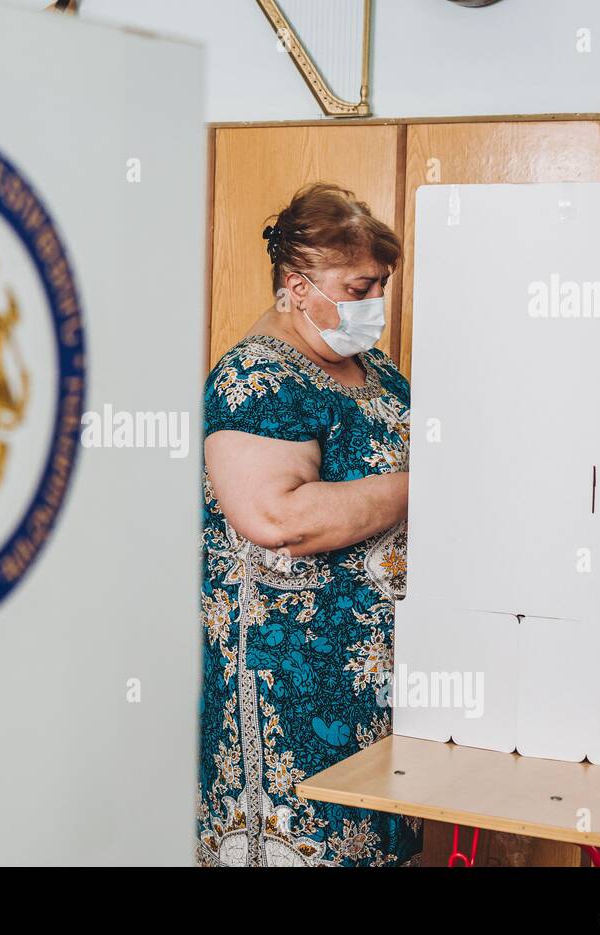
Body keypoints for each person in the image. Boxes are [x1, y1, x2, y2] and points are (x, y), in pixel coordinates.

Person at [196, 182, 422, 866]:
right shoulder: (255, 380)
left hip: (373, 684)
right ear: (297, 286)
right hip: (288, 687)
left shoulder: (374, 370)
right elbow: (278, 516)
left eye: (380, 285)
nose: (374, 304)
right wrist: (428, 486)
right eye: (359, 287)